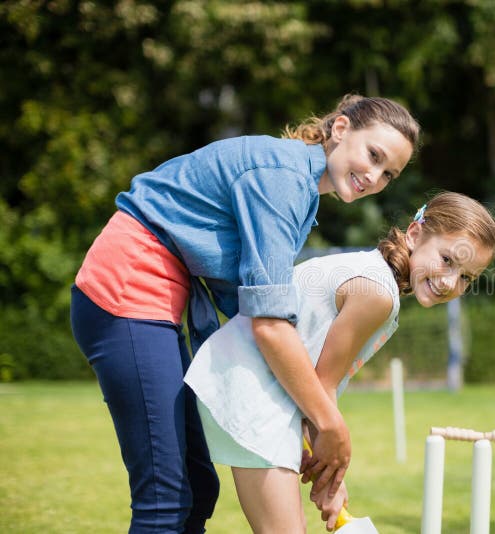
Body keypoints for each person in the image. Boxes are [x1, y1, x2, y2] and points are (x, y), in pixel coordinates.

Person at [70, 94, 420, 533]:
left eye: (389, 173)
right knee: (166, 498)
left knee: (196, 487)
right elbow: (269, 325)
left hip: (155, 301)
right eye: (374, 155)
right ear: (341, 129)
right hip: (126, 289)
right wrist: (331, 428)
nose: (374, 175)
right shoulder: (282, 178)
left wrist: (316, 438)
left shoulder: (301, 193)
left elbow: (250, 312)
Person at [184, 191, 495, 533]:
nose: (450, 282)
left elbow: (310, 385)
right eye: (447, 260)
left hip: (245, 385)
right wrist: (333, 464)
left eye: (467, 277)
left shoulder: (373, 274)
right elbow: (323, 385)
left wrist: (328, 472)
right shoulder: (378, 293)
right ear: (414, 234)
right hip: (248, 391)